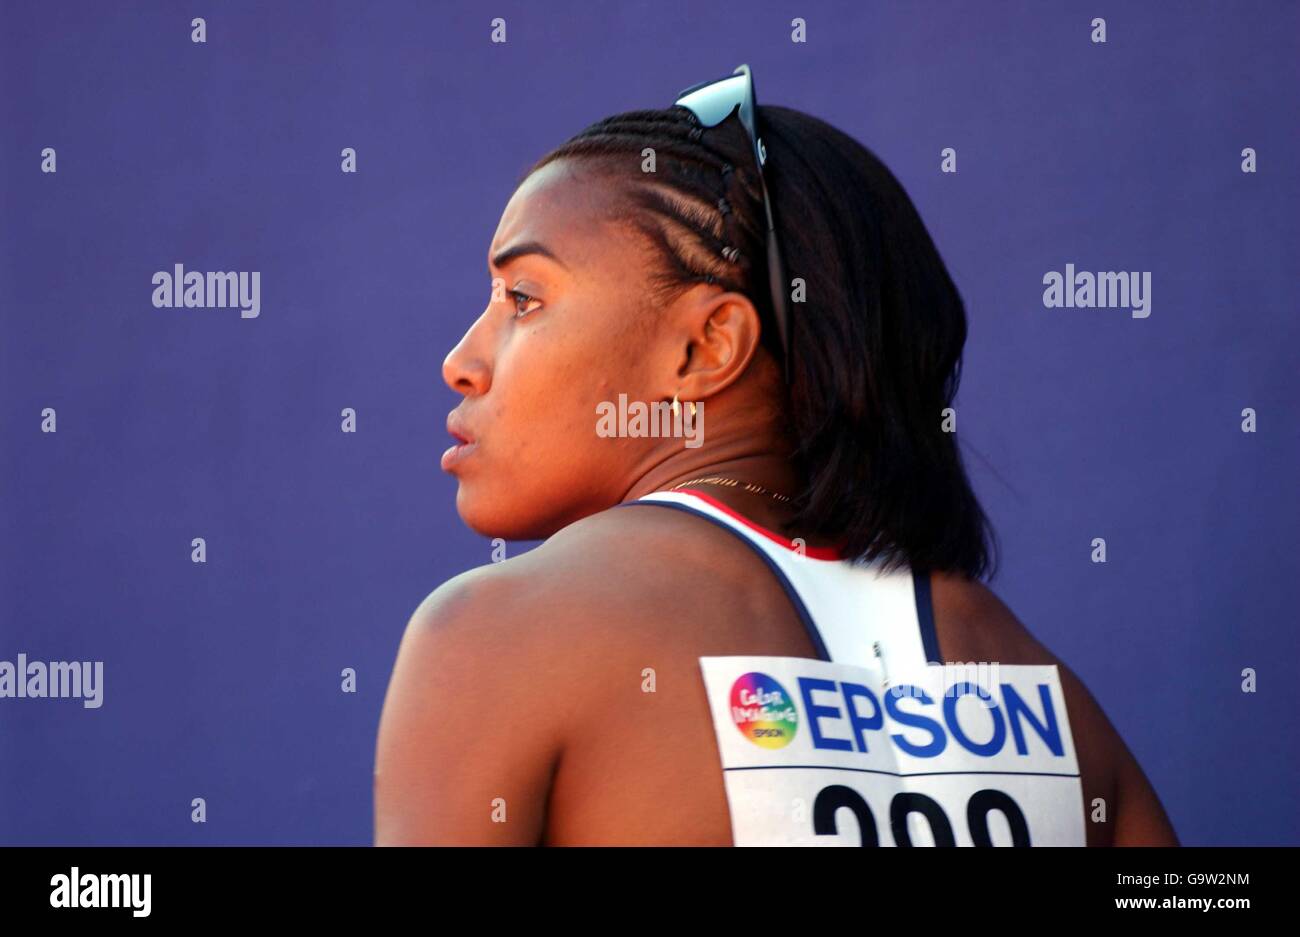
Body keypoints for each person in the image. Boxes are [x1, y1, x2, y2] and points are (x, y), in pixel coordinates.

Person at [373, 71, 1178, 846]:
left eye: (523, 299)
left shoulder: (495, 636)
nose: (461, 359)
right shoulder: (1042, 688)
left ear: (706, 345)